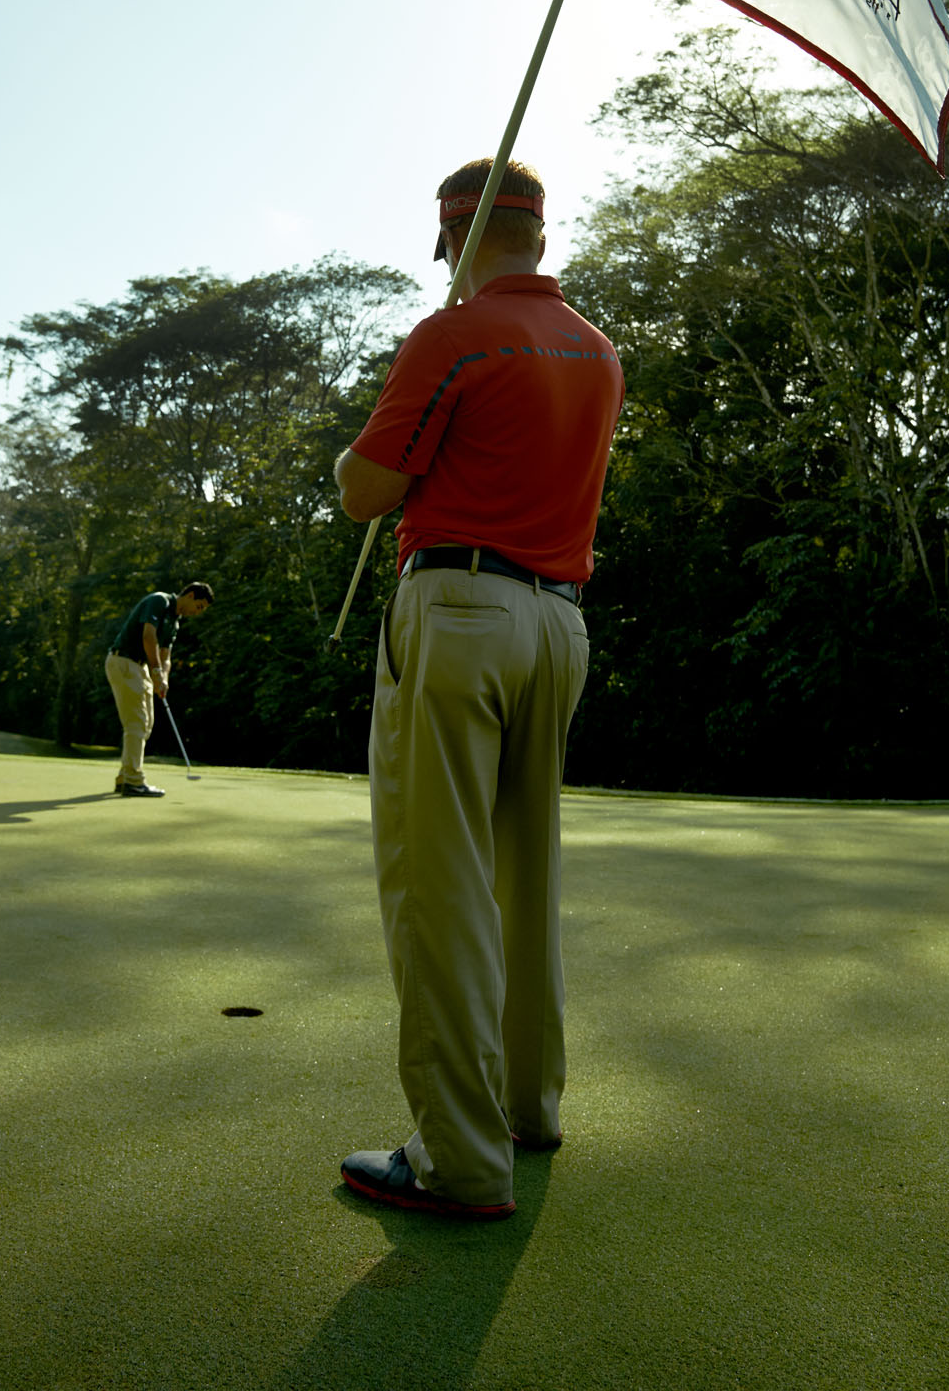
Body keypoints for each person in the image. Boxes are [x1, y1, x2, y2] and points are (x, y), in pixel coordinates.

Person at [334, 159, 624, 1220]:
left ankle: (458, 1157)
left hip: (458, 609)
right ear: (539, 236)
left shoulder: (452, 335)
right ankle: (526, 1108)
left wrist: (347, 461)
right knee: (526, 874)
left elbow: (366, 491)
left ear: (457, 235)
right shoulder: (600, 351)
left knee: (440, 887)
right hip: (561, 623)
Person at [104, 582, 213, 797]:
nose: (197, 612)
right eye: (199, 606)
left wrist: (163, 678)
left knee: (146, 725)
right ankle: (134, 781)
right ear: (190, 595)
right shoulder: (159, 601)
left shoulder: (174, 622)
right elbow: (148, 636)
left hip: (140, 666)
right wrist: (155, 670)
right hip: (124, 661)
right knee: (136, 722)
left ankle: (125, 777)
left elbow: (166, 655)